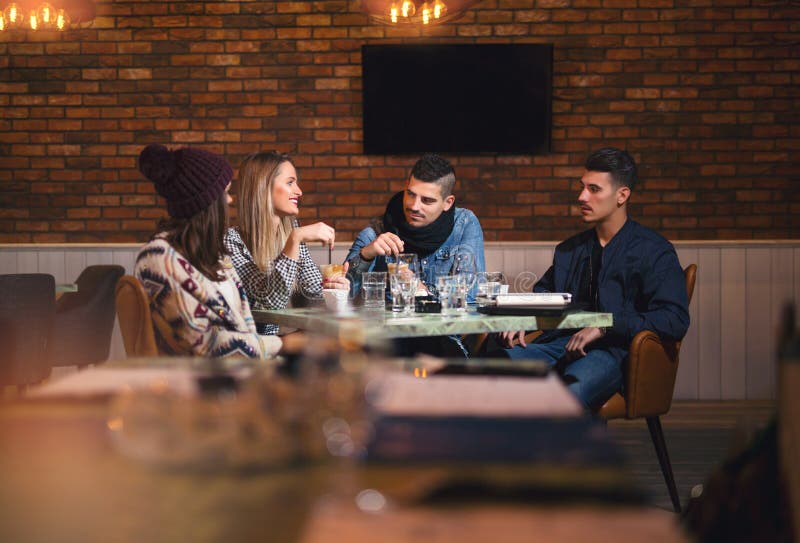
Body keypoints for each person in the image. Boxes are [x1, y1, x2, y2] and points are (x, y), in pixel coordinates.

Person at [492, 147, 690, 410]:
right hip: (559, 344)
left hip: (614, 352)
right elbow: (546, 295)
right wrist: (522, 317)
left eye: (594, 189)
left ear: (622, 195)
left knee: (566, 396)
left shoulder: (653, 251)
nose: (582, 196)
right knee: (493, 369)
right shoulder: (570, 249)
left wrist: (605, 325)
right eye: (582, 187)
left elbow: (674, 319)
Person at [135, 143, 281, 359]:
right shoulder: (158, 259)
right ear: (207, 202)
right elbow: (205, 345)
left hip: (245, 371)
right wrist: (280, 344)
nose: (230, 200)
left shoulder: (214, 255)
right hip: (204, 383)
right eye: (227, 192)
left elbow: (244, 326)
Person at [345, 153, 485, 356]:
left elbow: (469, 302)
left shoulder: (464, 225)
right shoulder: (378, 232)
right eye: (410, 194)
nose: (414, 206)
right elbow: (340, 297)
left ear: (447, 202)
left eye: (427, 200)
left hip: (441, 339)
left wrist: (421, 292)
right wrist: (366, 255)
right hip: (386, 341)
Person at [224, 151, 349, 335]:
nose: (299, 191)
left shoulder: (291, 232)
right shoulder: (232, 241)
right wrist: (295, 239)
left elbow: (314, 293)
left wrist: (334, 289)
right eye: (290, 182)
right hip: (257, 351)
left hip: (292, 344)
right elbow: (269, 304)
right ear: (263, 187)